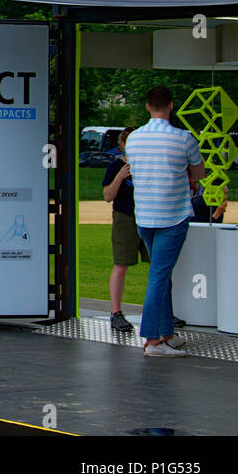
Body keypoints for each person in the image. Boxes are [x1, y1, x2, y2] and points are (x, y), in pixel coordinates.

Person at [125, 87, 204, 358]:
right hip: (173, 215)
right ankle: (153, 341)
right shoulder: (184, 139)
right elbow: (199, 172)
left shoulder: (134, 138)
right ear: (171, 106)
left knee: (162, 274)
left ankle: (166, 332)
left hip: (144, 216)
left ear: (148, 107)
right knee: (159, 275)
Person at [102, 126, 143, 332]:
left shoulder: (148, 165)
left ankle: (165, 311)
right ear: (123, 145)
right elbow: (108, 196)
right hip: (125, 218)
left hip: (149, 216)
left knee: (160, 266)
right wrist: (119, 176)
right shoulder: (115, 166)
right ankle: (116, 312)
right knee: (121, 266)